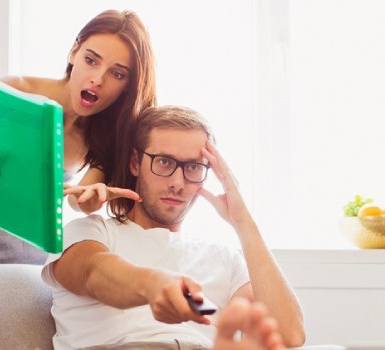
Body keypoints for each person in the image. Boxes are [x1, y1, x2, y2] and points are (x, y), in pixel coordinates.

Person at [41, 105, 306, 349]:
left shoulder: (224, 258)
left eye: (192, 167)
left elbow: (289, 335)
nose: (178, 183)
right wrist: (153, 285)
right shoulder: (90, 231)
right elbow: (93, 274)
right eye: (165, 162)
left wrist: (243, 221)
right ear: (135, 163)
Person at [0, 9, 154, 264]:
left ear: (127, 87)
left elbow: (82, 200)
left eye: (117, 74)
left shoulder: (104, 137)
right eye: (91, 60)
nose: (98, 79)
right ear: (74, 52)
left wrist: (89, 199)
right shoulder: (15, 90)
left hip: (29, 263)